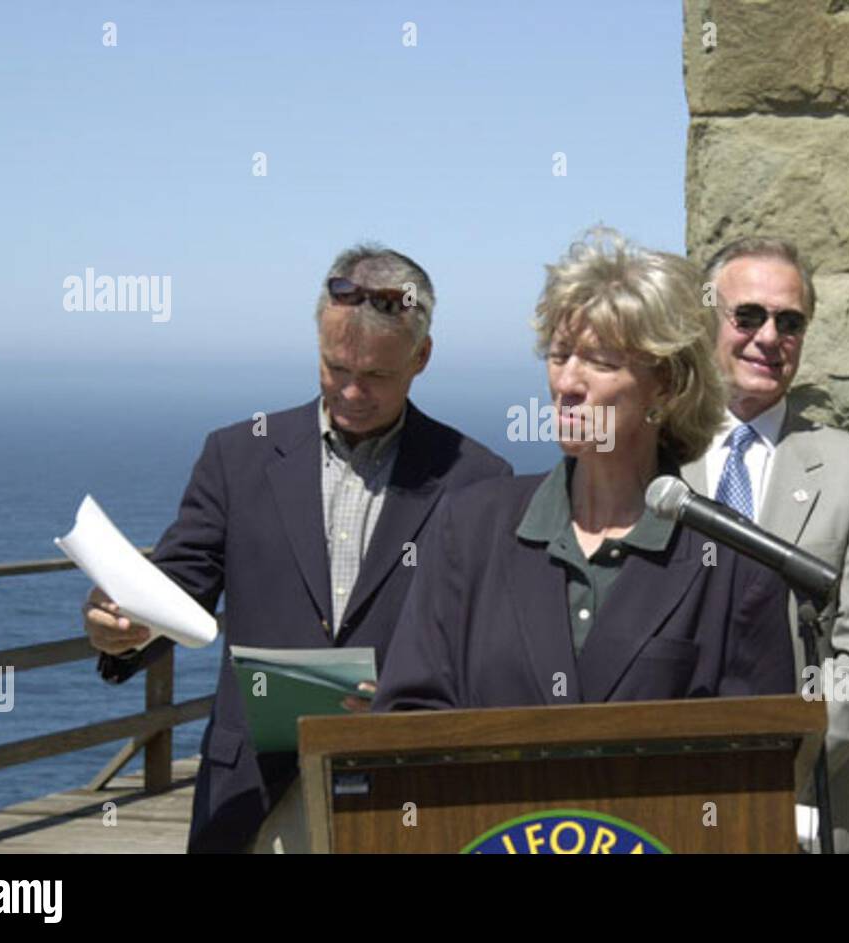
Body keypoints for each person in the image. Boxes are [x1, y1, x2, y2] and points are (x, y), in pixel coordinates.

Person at [82, 244, 510, 853]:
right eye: (337, 368)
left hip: (407, 795)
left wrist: (401, 702)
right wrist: (119, 625)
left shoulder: (478, 477)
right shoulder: (236, 456)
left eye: (377, 376)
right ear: (317, 344)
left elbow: (490, 647)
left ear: (423, 357)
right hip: (253, 798)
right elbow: (176, 590)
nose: (353, 392)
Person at [374, 228, 794, 713]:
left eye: (599, 361)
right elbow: (409, 715)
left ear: (667, 385)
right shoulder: (470, 529)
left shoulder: (733, 564)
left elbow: (757, 764)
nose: (568, 383)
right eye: (559, 355)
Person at [681, 237, 849, 853]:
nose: (769, 336)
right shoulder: (654, 460)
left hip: (803, 808)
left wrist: (770, 767)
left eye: (790, 321)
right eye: (748, 315)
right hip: (657, 793)